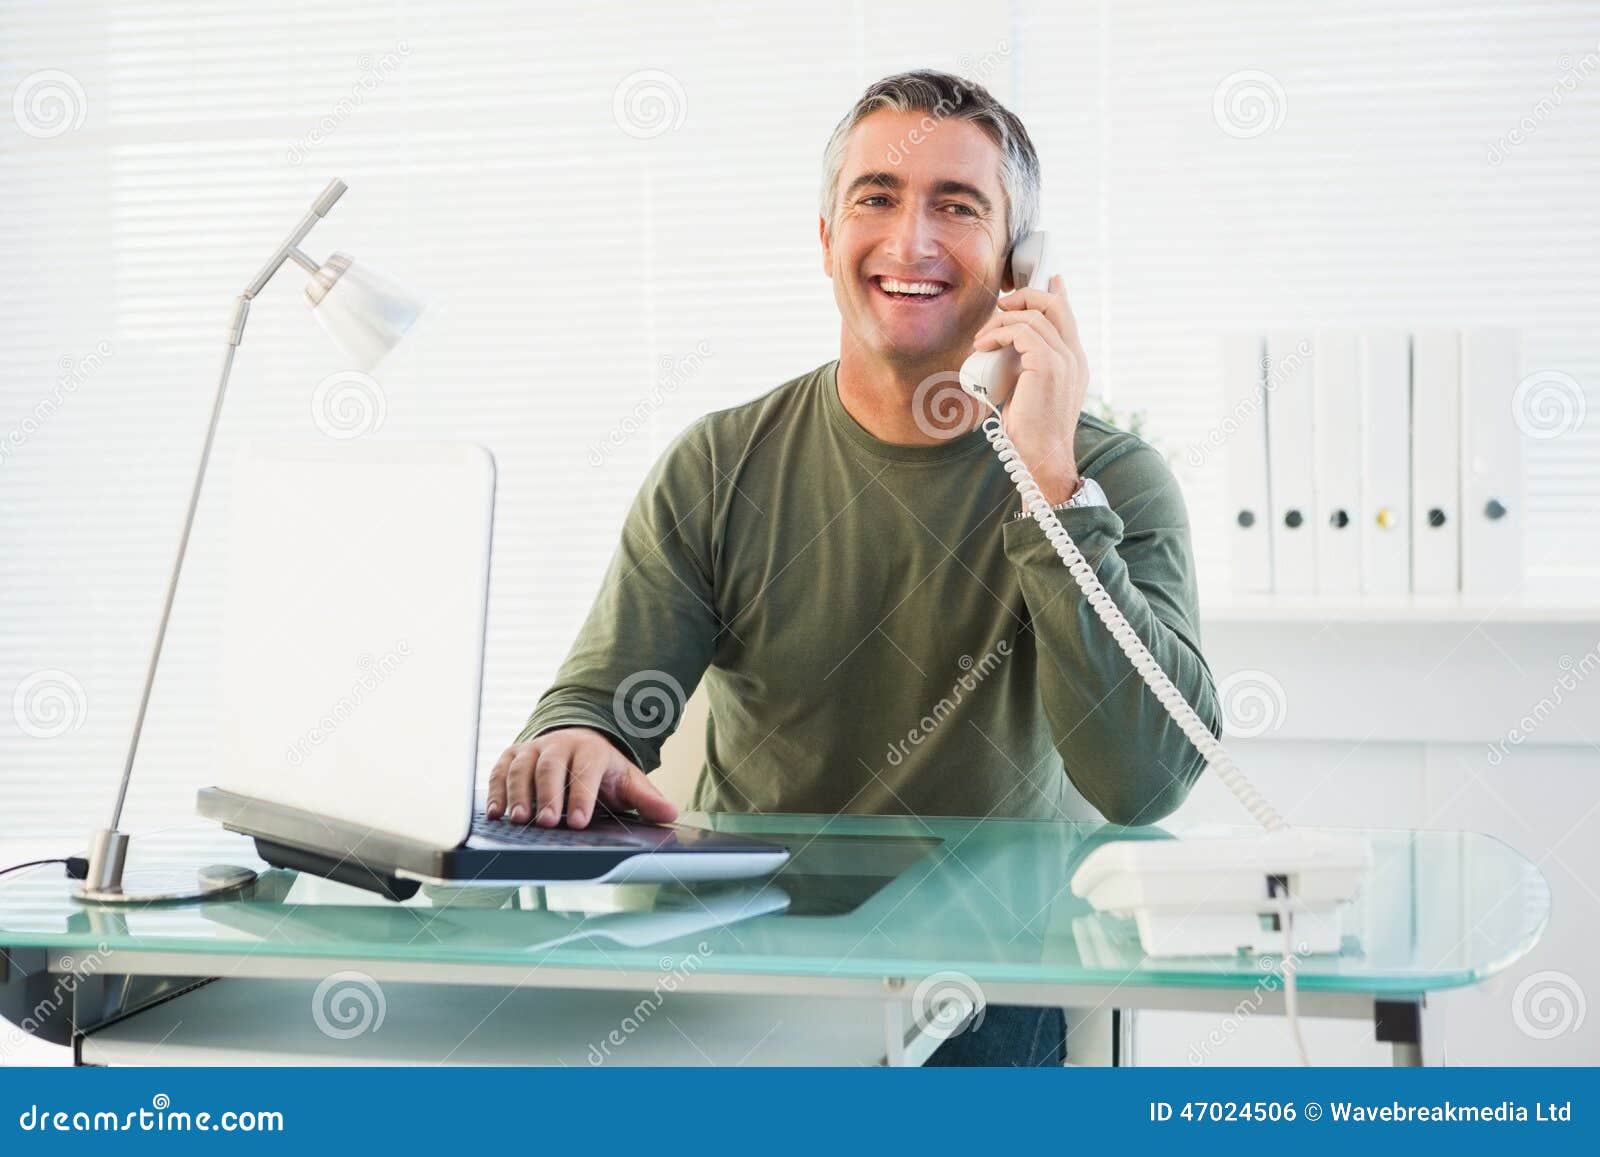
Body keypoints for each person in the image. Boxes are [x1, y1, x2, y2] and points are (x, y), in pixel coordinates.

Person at [487, 69, 1222, 1066]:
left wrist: (1048, 483)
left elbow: (1145, 780)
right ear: (827, 238)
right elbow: (600, 705)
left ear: (1020, 265)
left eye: (956, 208)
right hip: (742, 973)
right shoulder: (720, 464)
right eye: (876, 198)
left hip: (981, 994)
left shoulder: (1111, 481)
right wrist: (571, 741)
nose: (910, 241)